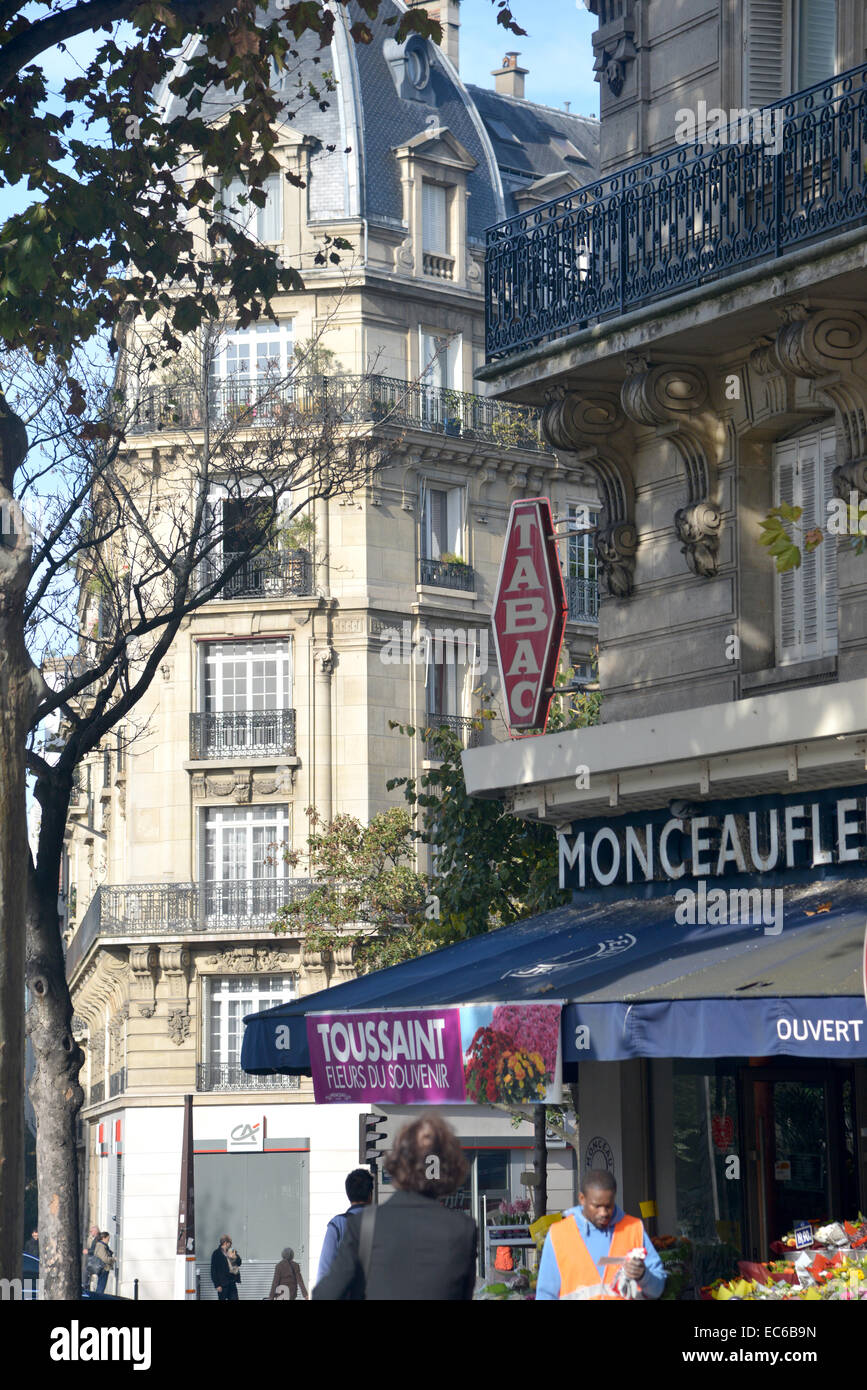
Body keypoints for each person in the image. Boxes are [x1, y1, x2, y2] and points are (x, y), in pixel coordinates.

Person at [313, 1116, 477, 1301]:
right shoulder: (462, 1228)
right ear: (449, 1170)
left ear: (397, 1165)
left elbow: (324, 1293)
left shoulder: (363, 1225)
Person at [536, 1169, 667, 1300]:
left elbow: (657, 1289)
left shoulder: (634, 1228)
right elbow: (545, 1294)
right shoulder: (559, 1234)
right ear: (582, 1199)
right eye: (597, 1206)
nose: (603, 1212)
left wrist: (644, 1276)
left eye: (608, 1206)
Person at [316, 1168, 374, 1283]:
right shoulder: (383, 1223)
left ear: (348, 1194)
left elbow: (324, 1272)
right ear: (370, 1195)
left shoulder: (338, 1225)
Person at [210, 1234, 242, 1301]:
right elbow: (213, 1270)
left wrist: (235, 1257)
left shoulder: (232, 1251)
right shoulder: (216, 1253)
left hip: (232, 1282)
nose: (231, 1245)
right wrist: (217, 1285)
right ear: (225, 1243)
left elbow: (239, 1263)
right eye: (230, 1243)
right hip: (222, 1284)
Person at [92, 1231, 115, 1296]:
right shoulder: (101, 1246)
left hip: (102, 1268)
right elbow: (105, 1259)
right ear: (103, 1238)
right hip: (103, 1269)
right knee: (101, 1287)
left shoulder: (101, 1245)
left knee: (100, 1286)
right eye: (108, 1239)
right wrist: (113, 1259)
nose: (108, 1241)